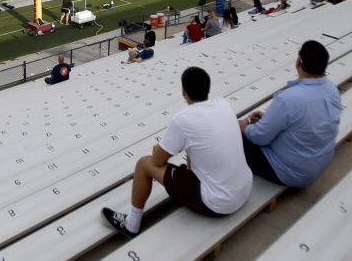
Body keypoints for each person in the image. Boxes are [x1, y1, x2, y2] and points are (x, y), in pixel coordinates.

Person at [102, 67, 253, 237]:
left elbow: (157, 161)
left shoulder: (183, 119)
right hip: (245, 188)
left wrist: (157, 149)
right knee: (194, 151)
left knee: (144, 163)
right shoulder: (222, 103)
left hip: (220, 203)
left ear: (183, 91)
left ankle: (131, 224)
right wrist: (247, 120)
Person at [240, 40, 341, 188]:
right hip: (317, 164)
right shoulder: (332, 89)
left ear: (298, 62)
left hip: (291, 173)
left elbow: (259, 137)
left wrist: (244, 126)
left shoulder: (288, 99)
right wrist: (269, 120)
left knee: (233, 136)